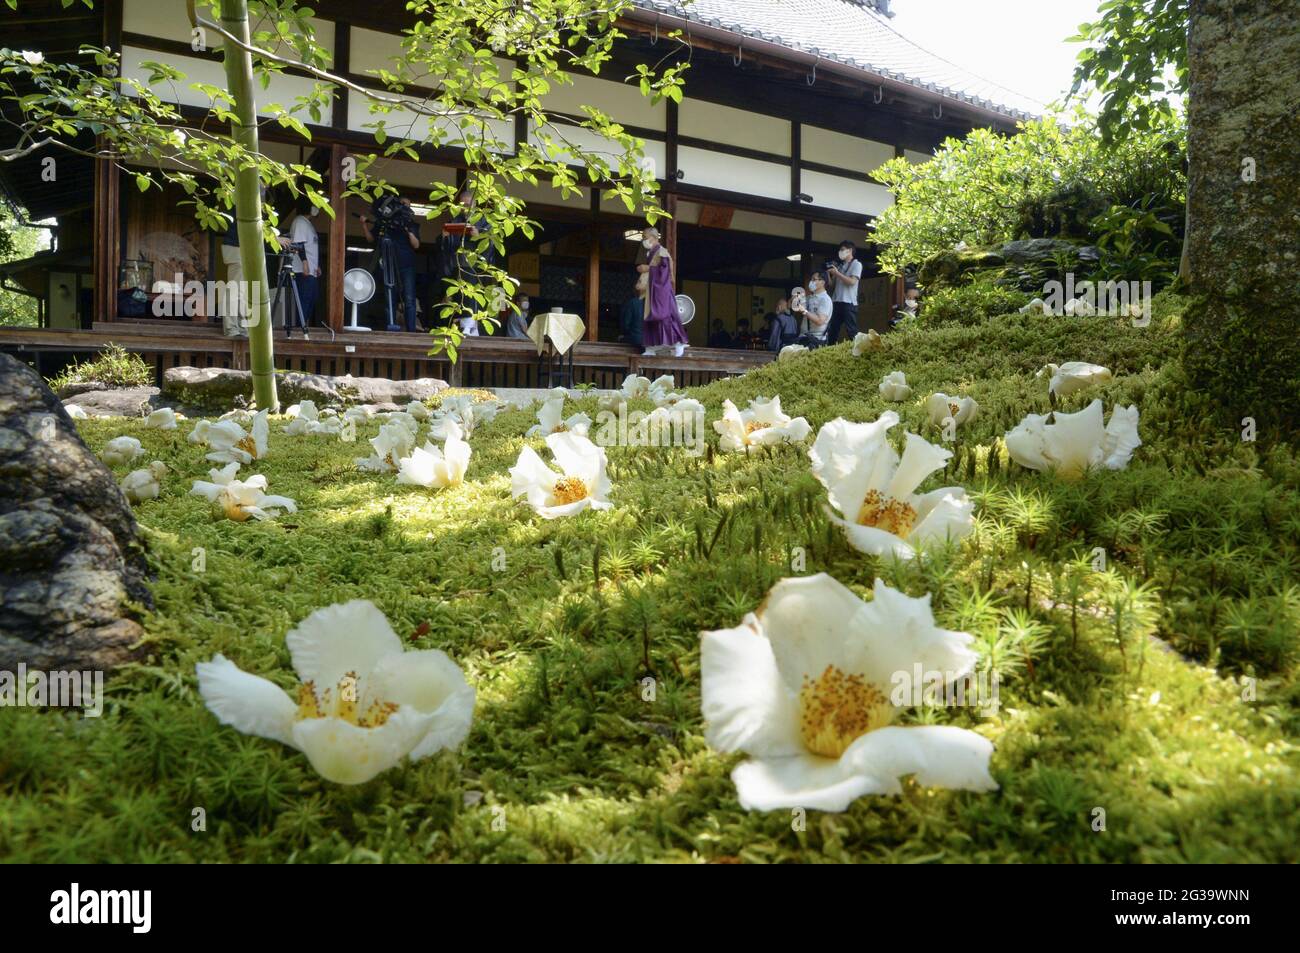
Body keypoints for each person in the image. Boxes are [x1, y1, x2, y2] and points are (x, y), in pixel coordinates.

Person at [361, 195, 421, 332]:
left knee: (409, 298)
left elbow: (416, 245)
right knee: (390, 297)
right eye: (402, 204)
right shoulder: (384, 223)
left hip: (407, 265)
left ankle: (411, 330)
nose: (405, 207)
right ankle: (391, 327)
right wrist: (364, 225)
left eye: (408, 205)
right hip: (389, 265)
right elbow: (371, 239)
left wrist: (408, 231)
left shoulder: (411, 224)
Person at [637, 226, 688, 357]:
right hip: (652, 291)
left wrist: (647, 268)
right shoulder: (651, 252)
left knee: (665, 317)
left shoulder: (662, 252)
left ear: (653, 238)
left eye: (645, 237)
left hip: (662, 291)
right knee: (650, 318)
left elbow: (664, 272)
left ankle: (678, 343)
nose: (643, 240)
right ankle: (651, 347)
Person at [287, 198, 321, 329]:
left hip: (310, 270)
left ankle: (301, 326)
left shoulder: (308, 223)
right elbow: (299, 244)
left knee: (311, 299)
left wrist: (316, 265)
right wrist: (305, 263)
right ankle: (297, 328)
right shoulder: (300, 221)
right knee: (303, 301)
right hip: (301, 270)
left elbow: (310, 246)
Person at [826, 240, 862, 343]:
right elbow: (831, 284)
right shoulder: (840, 266)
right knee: (833, 330)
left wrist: (837, 274)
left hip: (849, 302)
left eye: (842, 250)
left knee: (851, 330)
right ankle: (830, 351)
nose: (840, 252)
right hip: (836, 301)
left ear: (850, 250)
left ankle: (858, 351)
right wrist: (829, 273)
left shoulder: (857, 264)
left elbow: (852, 282)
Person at [797, 272, 832, 346]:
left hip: (816, 340)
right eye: (811, 279)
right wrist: (795, 298)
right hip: (803, 338)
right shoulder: (810, 297)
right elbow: (793, 306)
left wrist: (804, 311)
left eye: (814, 279)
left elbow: (820, 321)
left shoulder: (825, 299)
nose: (811, 282)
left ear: (822, 282)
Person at [620, 278, 645, 347]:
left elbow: (625, 325)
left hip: (636, 339)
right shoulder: (655, 303)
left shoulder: (632, 303)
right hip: (653, 341)